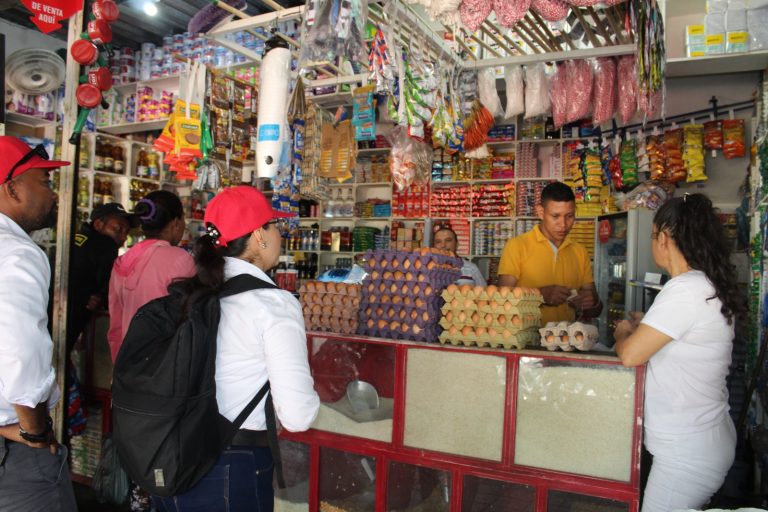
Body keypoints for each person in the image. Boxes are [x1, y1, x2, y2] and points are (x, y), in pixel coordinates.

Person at [153, 185, 319, 511]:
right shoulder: (273, 304)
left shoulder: (191, 294)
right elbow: (298, 415)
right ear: (259, 235)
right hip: (233, 466)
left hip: (172, 458)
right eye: (275, 226)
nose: (280, 234)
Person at [613, 193, 744, 512]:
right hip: (704, 438)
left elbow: (630, 355)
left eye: (652, 235)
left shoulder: (684, 289)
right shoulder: (702, 284)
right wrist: (647, 325)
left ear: (664, 237)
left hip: (687, 453)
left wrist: (623, 332)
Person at [0, 135, 78, 511]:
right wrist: (34, 431)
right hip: (15, 454)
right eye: (45, 182)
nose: (53, 194)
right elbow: (20, 350)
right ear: (12, 188)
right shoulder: (17, 253)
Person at [107, 190, 195, 363]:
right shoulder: (180, 259)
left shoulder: (122, 262)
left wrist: (119, 367)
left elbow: (116, 326)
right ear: (176, 223)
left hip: (129, 363)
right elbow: (191, 321)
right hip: (164, 365)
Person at [498, 182, 601, 324]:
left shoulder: (579, 251)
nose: (563, 224)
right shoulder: (517, 246)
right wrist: (540, 296)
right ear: (541, 212)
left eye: (569, 216)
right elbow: (501, 300)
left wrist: (590, 302)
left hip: (567, 336)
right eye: (555, 216)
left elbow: (596, 309)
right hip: (527, 336)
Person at [68, 202, 137, 353]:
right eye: (118, 229)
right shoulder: (106, 244)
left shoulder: (76, 238)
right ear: (99, 224)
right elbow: (110, 286)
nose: (124, 237)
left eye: (126, 232)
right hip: (74, 314)